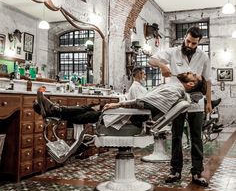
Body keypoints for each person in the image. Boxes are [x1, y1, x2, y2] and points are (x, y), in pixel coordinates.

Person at [148, 26, 211, 187]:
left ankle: (197, 173)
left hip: (196, 103)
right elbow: (151, 60)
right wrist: (162, 66)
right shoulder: (173, 52)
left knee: (196, 138)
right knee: (176, 136)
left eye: (193, 43)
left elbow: (208, 80)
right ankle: (175, 171)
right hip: (176, 102)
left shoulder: (203, 56)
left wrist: (209, 102)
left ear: (198, 43)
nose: (189, 45)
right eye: (188, 41)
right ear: (185, 38)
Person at [34, 72, 207, 129]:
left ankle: (56, 111)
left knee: (94, 113)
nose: (190, 71)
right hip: (137, 115)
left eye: (193, 74)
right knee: (91, 109)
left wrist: (118, 104)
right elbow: (148, 103)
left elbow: (144, 104)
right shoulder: (176, 90)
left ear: (191, 84)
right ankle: (55, 110)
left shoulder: (175, 89)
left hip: (134, 116)